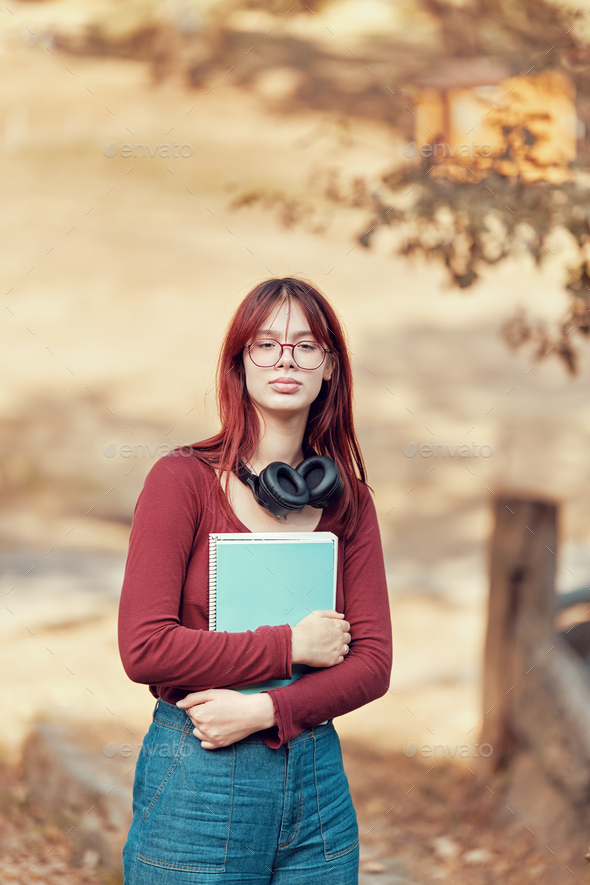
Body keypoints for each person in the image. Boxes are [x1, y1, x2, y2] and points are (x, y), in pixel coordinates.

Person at [118, 277, 393, 884]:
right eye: (266, 344)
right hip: (199, 771)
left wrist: (269, 708)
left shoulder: (351, 503)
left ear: (330, 368)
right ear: (239, 364)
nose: (286, 359)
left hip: (318, 783)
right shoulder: (181, 481)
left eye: (306, 344)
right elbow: (145, 648)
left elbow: (373, 664)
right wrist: (290, 646)